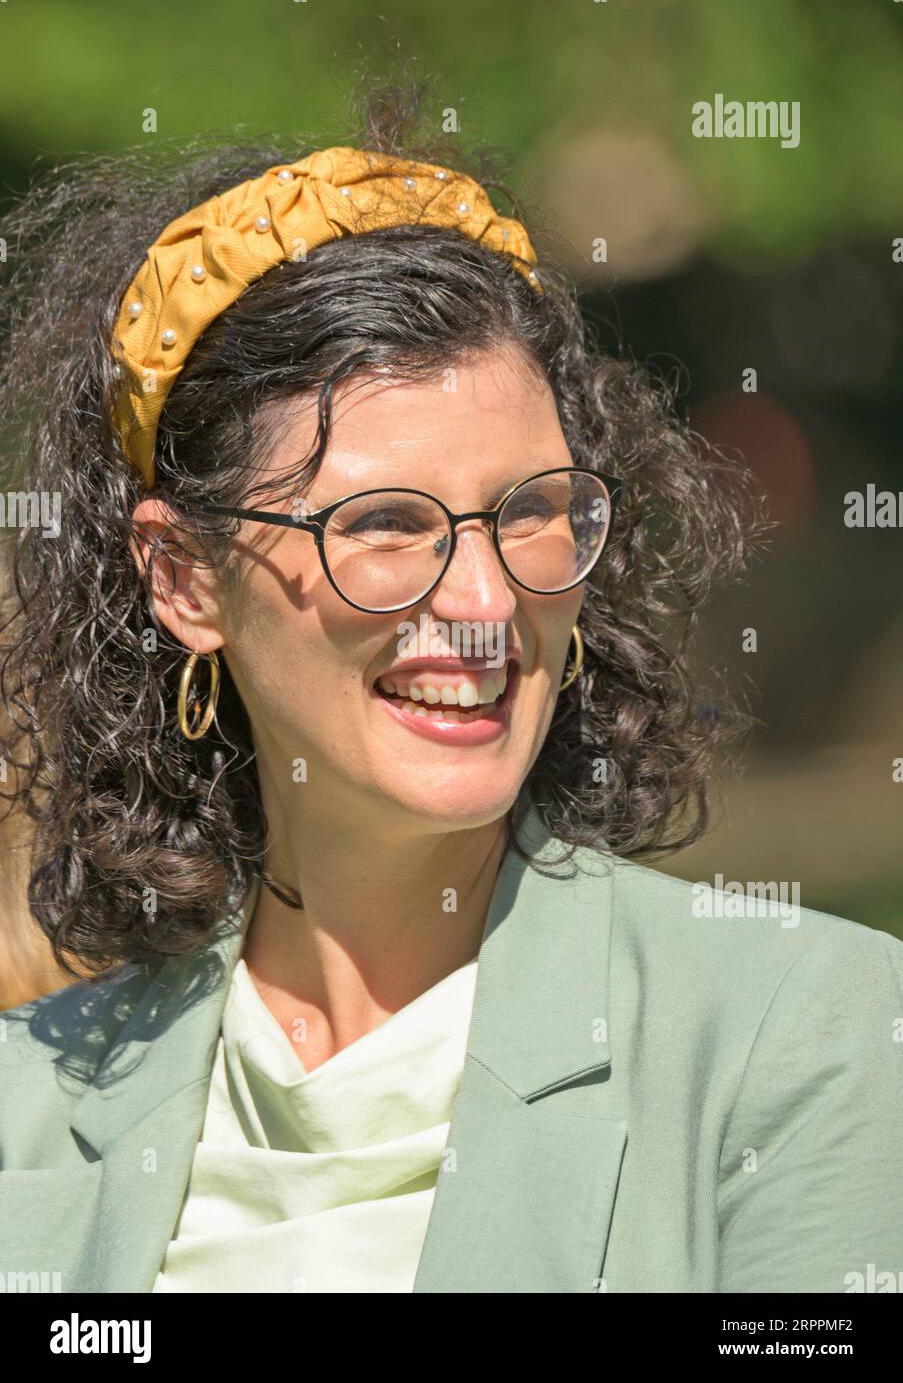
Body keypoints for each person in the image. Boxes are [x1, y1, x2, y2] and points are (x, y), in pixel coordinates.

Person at [0, 84, 901, 1295]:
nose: (482, 602)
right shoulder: (30, 1101)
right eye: (381, 525)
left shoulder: (806, 1034)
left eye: (531, 511)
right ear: (185, 577)